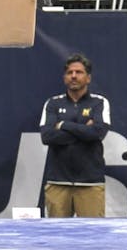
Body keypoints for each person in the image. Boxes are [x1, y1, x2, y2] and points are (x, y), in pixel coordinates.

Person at [39, 53, 109, 218]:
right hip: (57, 182)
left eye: (79, 72)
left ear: (88, 78)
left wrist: (63, 125)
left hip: (90, 183)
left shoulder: (99, 102)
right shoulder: (53, 103)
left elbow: (98, 132)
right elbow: (47, 136)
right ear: (64, 77)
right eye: (70, 72)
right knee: (57, 233)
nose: (74, 76)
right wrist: (84, 131)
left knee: (93, 233)